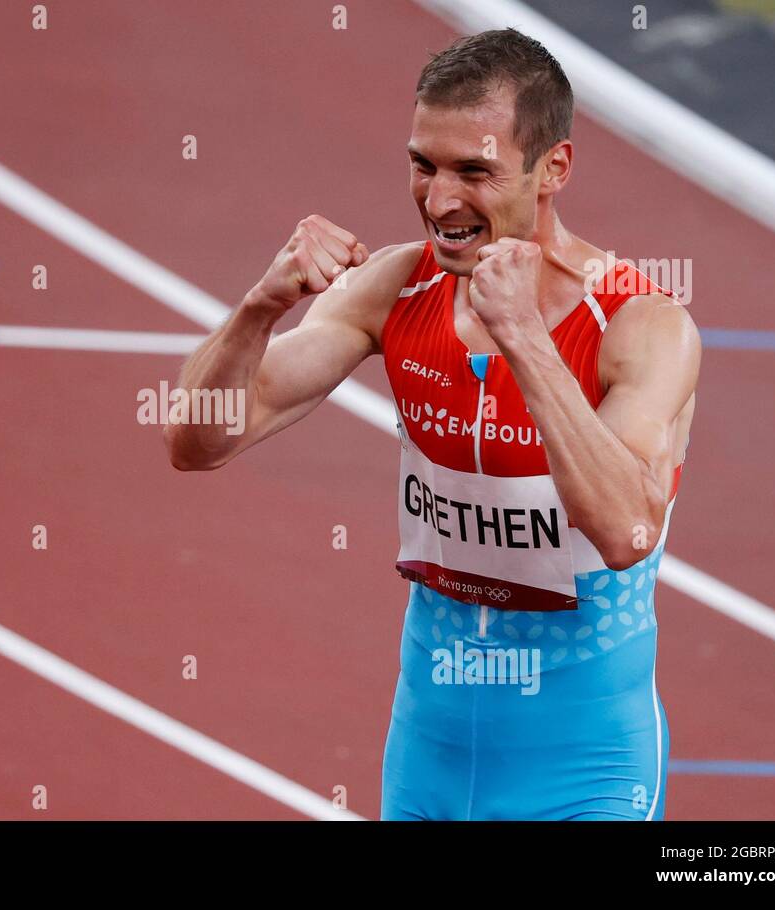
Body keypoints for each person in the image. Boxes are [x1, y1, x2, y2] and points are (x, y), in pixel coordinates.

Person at [164, 28, 700, 820]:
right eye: (424, 165)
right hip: (430, 754)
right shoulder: (393, 288)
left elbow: (625, 530)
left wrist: (524, 340)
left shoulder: (639, 323)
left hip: (587, 766)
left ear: (554, 168)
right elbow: (195, 441)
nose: (440, 202)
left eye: (475, 172)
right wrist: (258, 309)